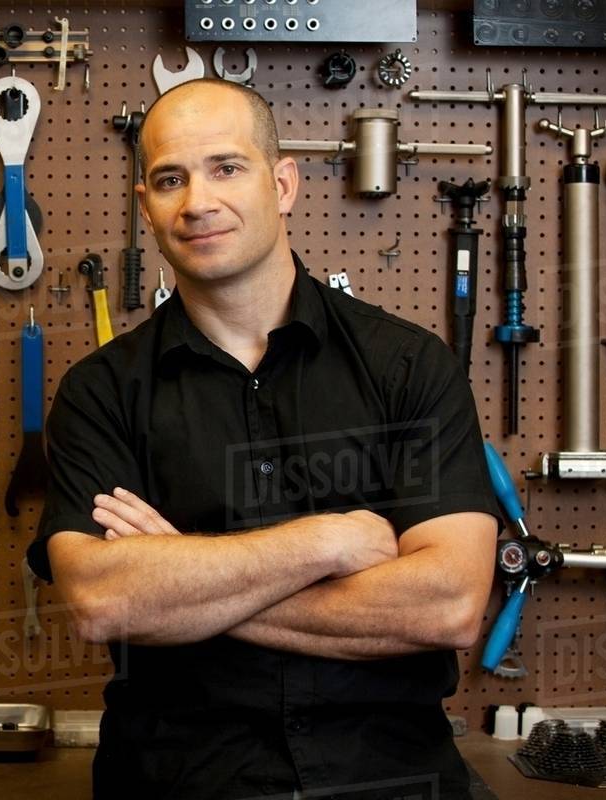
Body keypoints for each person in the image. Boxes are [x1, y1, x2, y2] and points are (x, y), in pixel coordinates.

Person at [26, 78, 500, 800]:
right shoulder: (101, 392)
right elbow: (104, 602)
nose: (197, 203)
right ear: (145, 206)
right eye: (168, 179)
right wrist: (329, 544)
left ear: (283, 184)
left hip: (392, 782)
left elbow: (448, 605)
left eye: (226, 167)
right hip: (178, 781)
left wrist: (182, 580)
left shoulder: (408, 365)